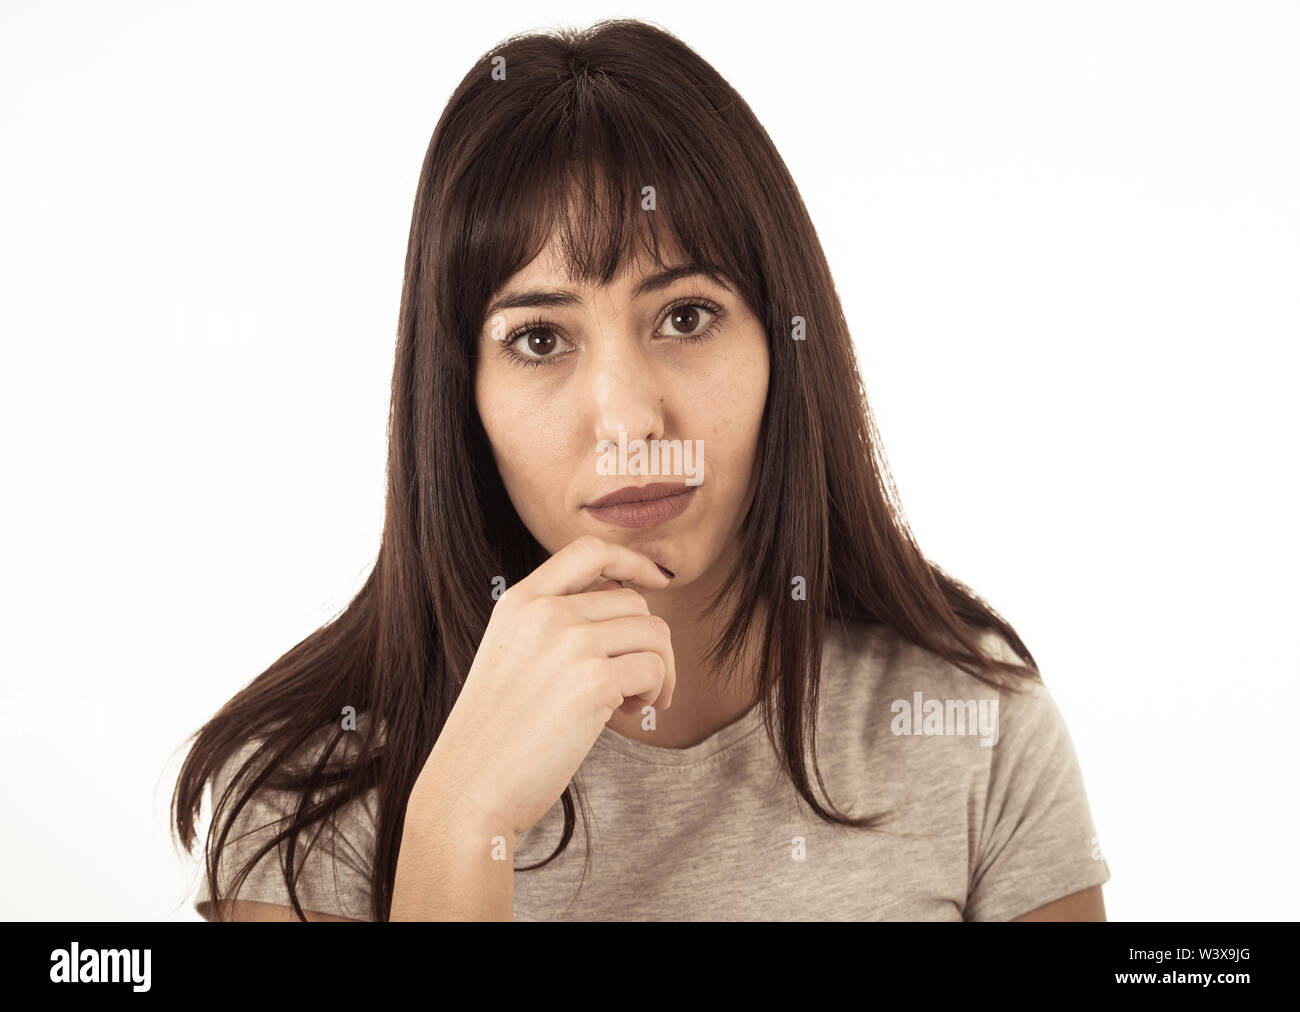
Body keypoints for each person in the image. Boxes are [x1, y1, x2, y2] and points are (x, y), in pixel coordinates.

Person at [172, 17, 1110, 922]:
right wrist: (461, 822)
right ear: (461, 393)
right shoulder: (306, 795)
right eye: (540, 338)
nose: (629, 419)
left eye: (687, 317)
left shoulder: (973, 727)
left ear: (786, 343)